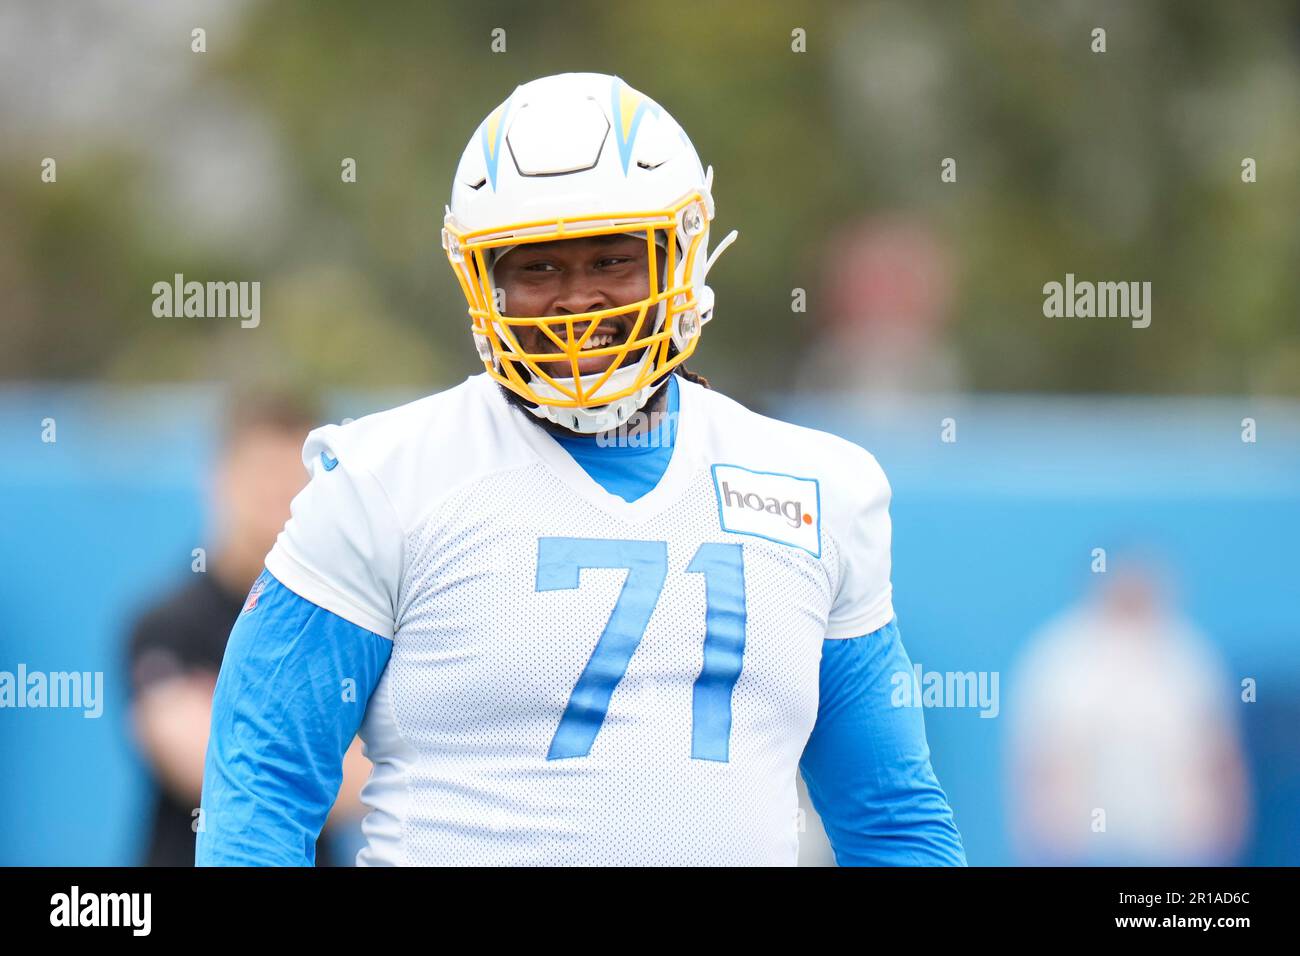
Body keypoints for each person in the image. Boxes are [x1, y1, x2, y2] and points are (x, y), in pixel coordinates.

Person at [196, 72, 966, 866]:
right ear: (482, 275)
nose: (577, 302)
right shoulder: (380, 482)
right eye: (537, 268)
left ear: (681, 257)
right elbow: (263, 792)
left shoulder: (817, 490)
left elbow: (892, 821)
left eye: (611, 260)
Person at [127, 391, 368, 866]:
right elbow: (210, 769)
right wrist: (323, 749)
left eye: (292, 479)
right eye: (260, 476)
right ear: (219, 479)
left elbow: (374, 773)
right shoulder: (167, 626)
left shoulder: (348, 623)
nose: (275, 496)